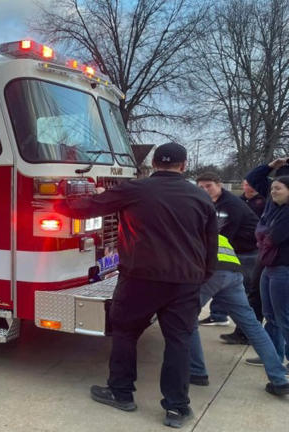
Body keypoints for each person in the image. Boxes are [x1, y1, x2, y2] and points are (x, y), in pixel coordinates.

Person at [55, 142, 218, 429]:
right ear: (184, 165)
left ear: (154, 164)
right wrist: (201, 276)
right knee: (178, 341)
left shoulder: (136, 189)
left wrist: (58, 200)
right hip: (186, 281)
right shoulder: (201, 197)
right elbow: (210, 244)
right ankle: (177, 408)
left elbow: (86, 208)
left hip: (140, 279)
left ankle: (121, 393)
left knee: (126, 333)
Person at [188, 234, 289, 395]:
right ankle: (279, 379)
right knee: (252, 326)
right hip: (234, 271)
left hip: (213, 270)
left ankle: (197, 372)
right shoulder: (210, 226)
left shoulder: (185, 226)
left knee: (187, 319)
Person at [195, 173, 259, 344]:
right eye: (201, 187)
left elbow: (223, 235)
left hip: (246, 252)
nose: (205, 190)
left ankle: (244, 334)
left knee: (245, 294)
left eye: (208, 185)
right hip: (232, 250)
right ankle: (219, 316)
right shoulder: (213, 203)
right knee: (222, 285)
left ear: (219, 184)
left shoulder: (231, 205)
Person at [244, 158, 289, 370]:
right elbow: (253, 178)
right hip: (269, 265)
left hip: (284, 268)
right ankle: (273, 356)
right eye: (272, 188)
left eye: (277, 188)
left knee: (284, 316)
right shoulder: (274, 204)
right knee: (270, 315)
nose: (272, 192)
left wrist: (262, 233)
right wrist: (272, 165)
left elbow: (274, 236)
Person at [220, 178, 268, 344]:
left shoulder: (263, 201)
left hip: (251, 252)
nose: (248, 187)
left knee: (248, 294)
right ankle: (240, 330)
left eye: (251, 184)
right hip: (239, 251)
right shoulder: (239, 201)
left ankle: (246, 334)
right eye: (246, 184)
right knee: (240, 293)